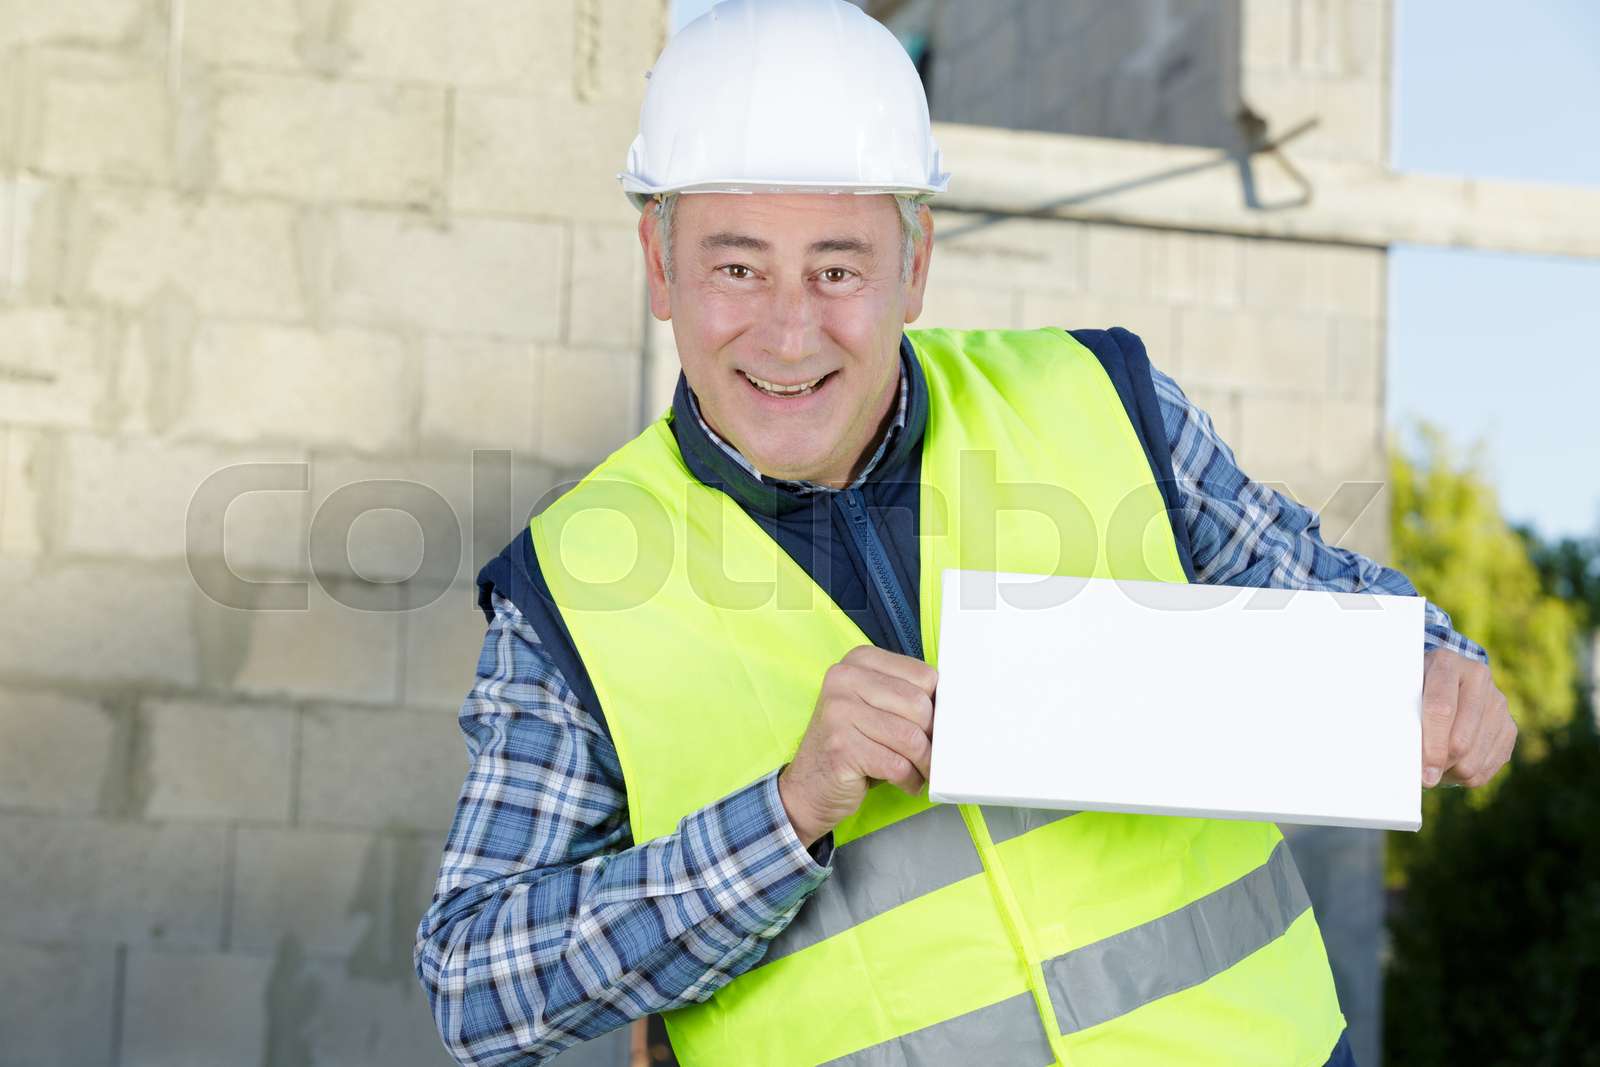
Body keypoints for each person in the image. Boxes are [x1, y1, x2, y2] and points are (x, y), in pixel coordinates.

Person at [413, 2, 1515, 1064]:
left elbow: (1343, 612)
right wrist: (786, 812)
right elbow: (476, 986)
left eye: (838, 267)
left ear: (916, 264)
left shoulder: (1103, 403)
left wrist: (1440, 671)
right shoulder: (568, 591)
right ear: (660, 267)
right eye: (735, 266)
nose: (790, 330)